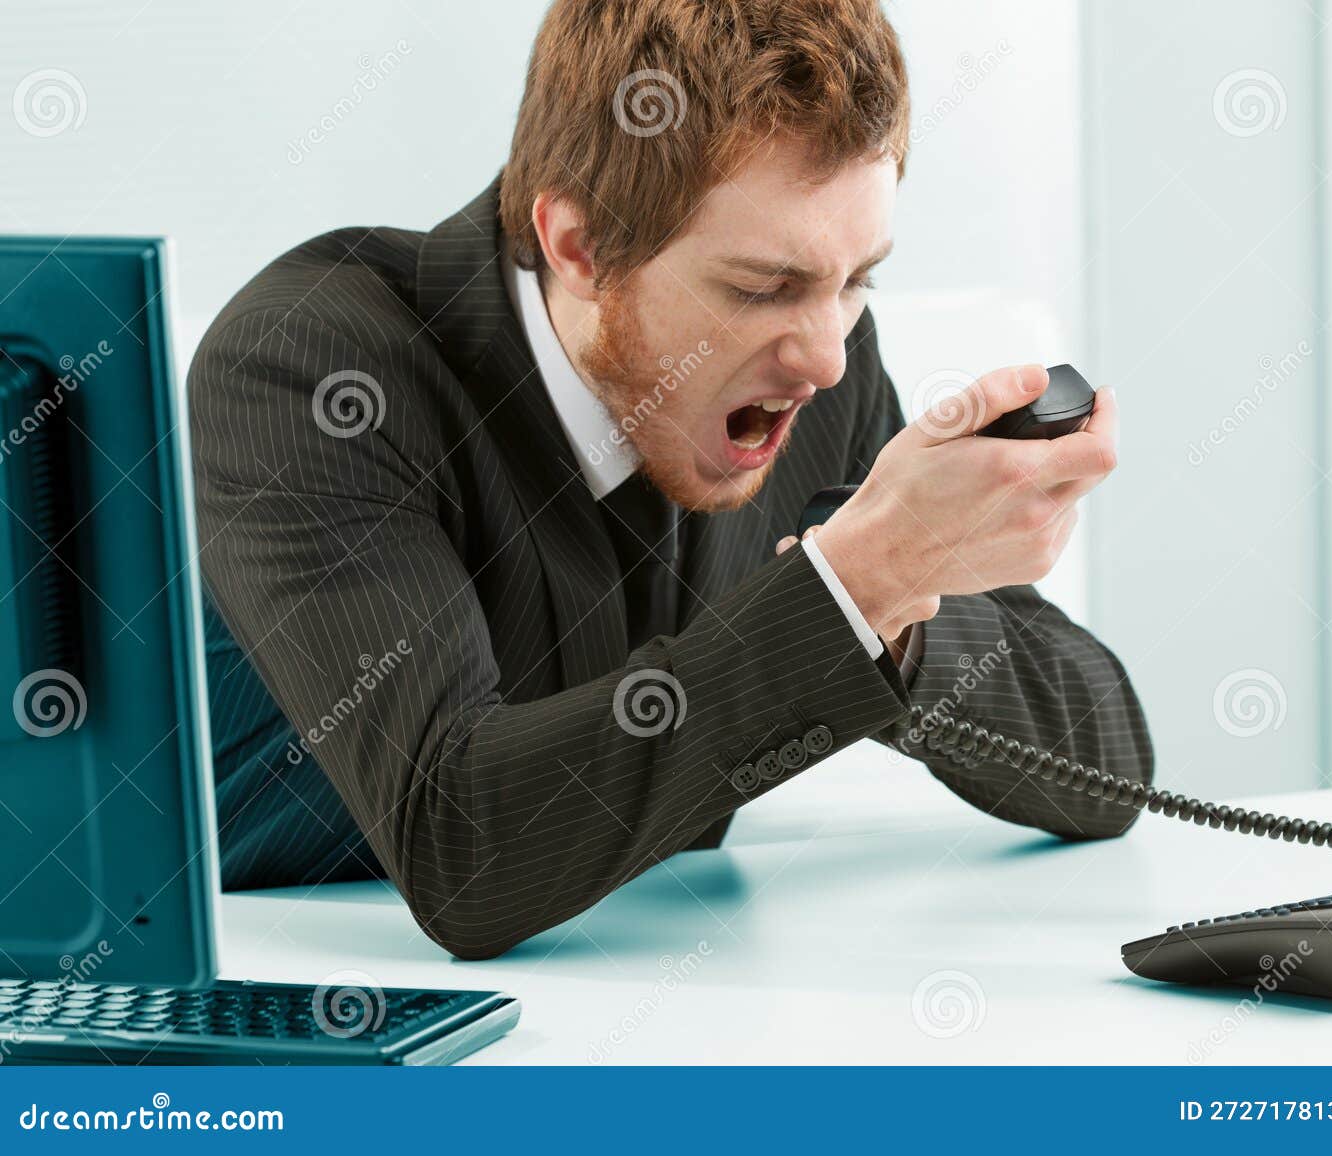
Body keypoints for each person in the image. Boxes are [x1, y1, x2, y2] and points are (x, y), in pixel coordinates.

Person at [189, 0, 1154, 960]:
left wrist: (899, 600)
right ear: (579, 246)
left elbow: (1111, 766)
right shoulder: (315, 368)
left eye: (859, 278)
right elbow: (462, 850)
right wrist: (853, 588)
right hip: (271, 979)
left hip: (662, 992)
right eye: (761, 287)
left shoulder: (822, 366)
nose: (824, 357)